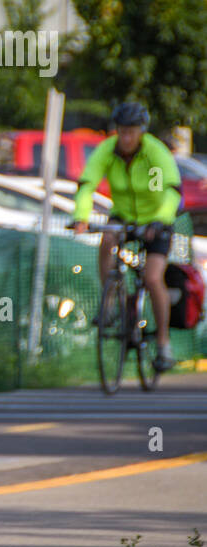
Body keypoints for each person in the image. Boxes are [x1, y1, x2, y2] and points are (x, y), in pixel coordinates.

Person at [70, 101, 181, 371]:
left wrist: (160, 219)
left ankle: (164, 345)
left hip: (157, 219)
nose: (127, 137)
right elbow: (87, 184)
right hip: (124, 215)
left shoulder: (155, 152)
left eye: (133, 131)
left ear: (141, 131)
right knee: (107, 239)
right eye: (122, 131)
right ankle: (108, 302)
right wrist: (80, 216)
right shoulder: (107, 150)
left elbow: (172, 190)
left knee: (153, 278)